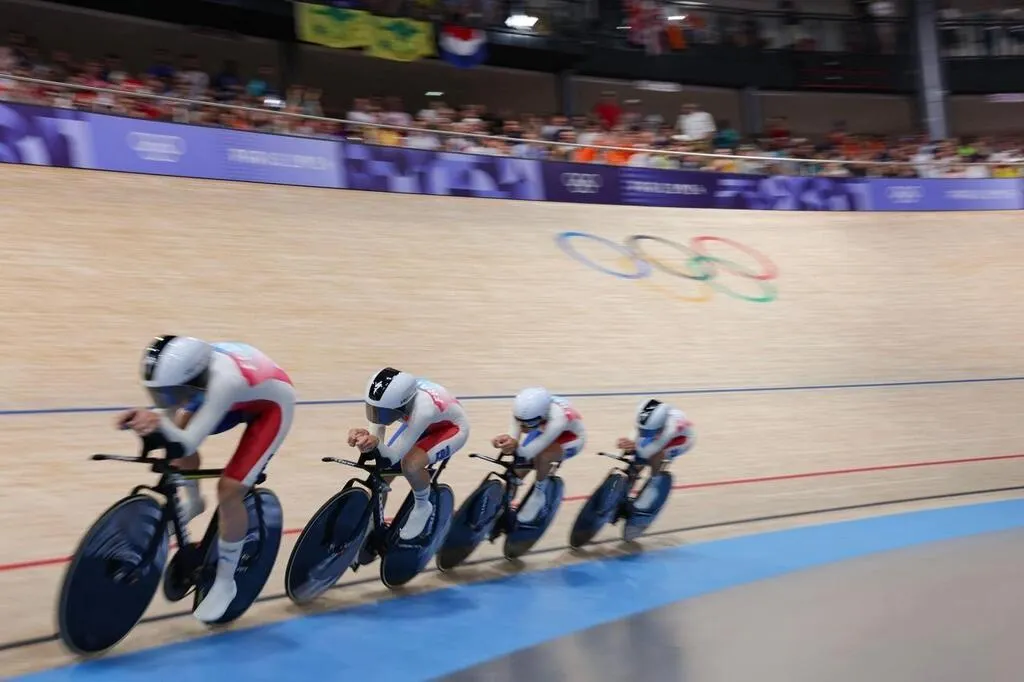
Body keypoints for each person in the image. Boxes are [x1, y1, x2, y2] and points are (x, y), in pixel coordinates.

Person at [117, 336, 296, 623]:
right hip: (232, 393)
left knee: (229, 490)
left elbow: (187, 443)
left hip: (271, 406)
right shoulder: (191, 375)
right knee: (176, 442)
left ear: (194, 379)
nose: (165, 402)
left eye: (170, 394)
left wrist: (156, 423)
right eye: (158, 394)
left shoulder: (224, 382)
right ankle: (195, 501)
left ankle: (226, 581)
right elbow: (170, 418)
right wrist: (149, 418)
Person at [348, 367, 469, 540]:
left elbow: (392, 456)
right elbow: (378, 440)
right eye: (373, 410)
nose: (378, 416)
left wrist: (374, 444)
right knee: (382, 473)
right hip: (421, 423)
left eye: (383, 413)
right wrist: (367, 440)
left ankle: (422, 505)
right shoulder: (388, 399)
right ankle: (373, 523)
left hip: (451, 429)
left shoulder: (423, 410)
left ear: (403, 405)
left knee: (410, 465)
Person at [491, 387, 585, 523]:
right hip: (543, 431)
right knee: (517, 470)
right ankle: (502, 506)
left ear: (542, 415)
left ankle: (539, 493)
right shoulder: (523, 411)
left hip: (571, 437)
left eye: (528, 423)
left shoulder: (559, 418)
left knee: (543, 457)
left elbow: (528, 452)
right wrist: (506, 442)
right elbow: (514, 440)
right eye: (520, 422)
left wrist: (514, 446)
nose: (523, 427)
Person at [616, 398, 694, 510]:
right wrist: (630, 442)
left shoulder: (672, 426)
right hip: (658, 433)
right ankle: (625, 488)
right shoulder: (645, 415)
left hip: (681, 440)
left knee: (655, 454)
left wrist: (636, 450)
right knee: (637, 461)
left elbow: (653, 448)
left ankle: (654, 482)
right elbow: (638, 432)